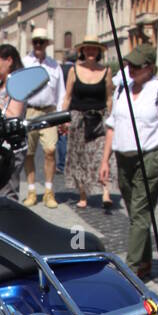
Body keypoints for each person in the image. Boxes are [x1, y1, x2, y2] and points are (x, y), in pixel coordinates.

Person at [99, 43, 158, 280]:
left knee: (141, 213)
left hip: (149, 157)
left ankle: (131, 270)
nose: (131, 69)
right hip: (123, 157)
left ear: (150, 67)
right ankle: (144, 261)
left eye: (136, 65)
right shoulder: (121, 90)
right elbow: (112, 127)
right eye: (129, 64)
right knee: (134, 212)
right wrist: (105, 161)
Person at [61, 37, 115, 211]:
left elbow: (109, 97)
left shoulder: (106, 71)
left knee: (102, 155)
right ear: (82, 51)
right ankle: (83, 194)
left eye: (94, 49)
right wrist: (63, 118)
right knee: (79, 158)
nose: (91, 52)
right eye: (87, 49)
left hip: (99, 119)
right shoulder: (73, 71)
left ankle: (105, 191)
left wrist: (111, 118)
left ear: (99, 52)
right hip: (78, 119)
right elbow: (67, 97)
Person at [21, 30, 66, 207]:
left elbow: (61, 93)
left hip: (49, 112)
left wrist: (61, 116)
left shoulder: (55, 66)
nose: (38, 45)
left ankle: (48, 191)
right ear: (33, 43)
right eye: (36, 42)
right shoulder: (24, 63)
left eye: (42, 42)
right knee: (29, 153)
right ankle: (31, 191)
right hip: (29, 111)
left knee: (50, 150)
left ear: (47, 44)